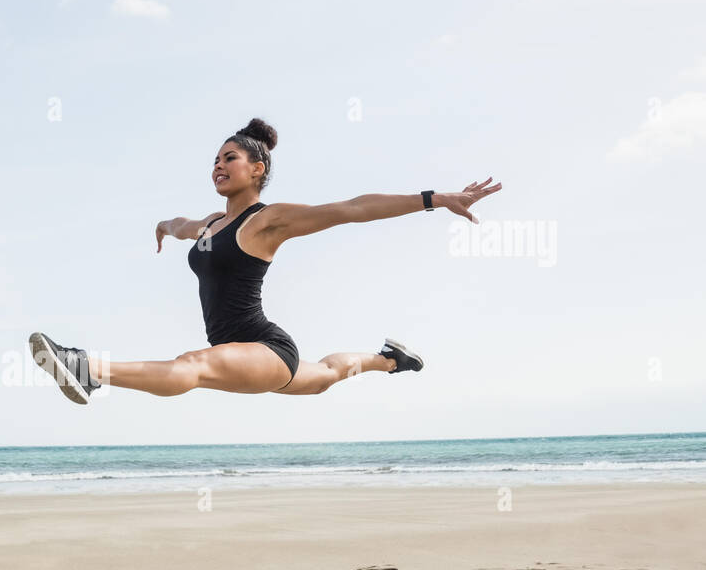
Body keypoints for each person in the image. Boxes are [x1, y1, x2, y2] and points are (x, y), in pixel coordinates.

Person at [29, 117, 501, 405]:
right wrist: (164, 227)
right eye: (214, 159)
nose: (217, 165)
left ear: (257, 169)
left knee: (191, 365)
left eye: (229, 158)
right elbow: (182, 224)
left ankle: (88, 368)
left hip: (264, 349)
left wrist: (435, 199)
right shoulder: (213, 224)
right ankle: (388, 360)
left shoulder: (267, 221)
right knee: (327, 377)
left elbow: (353, 209)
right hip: (243, 356)